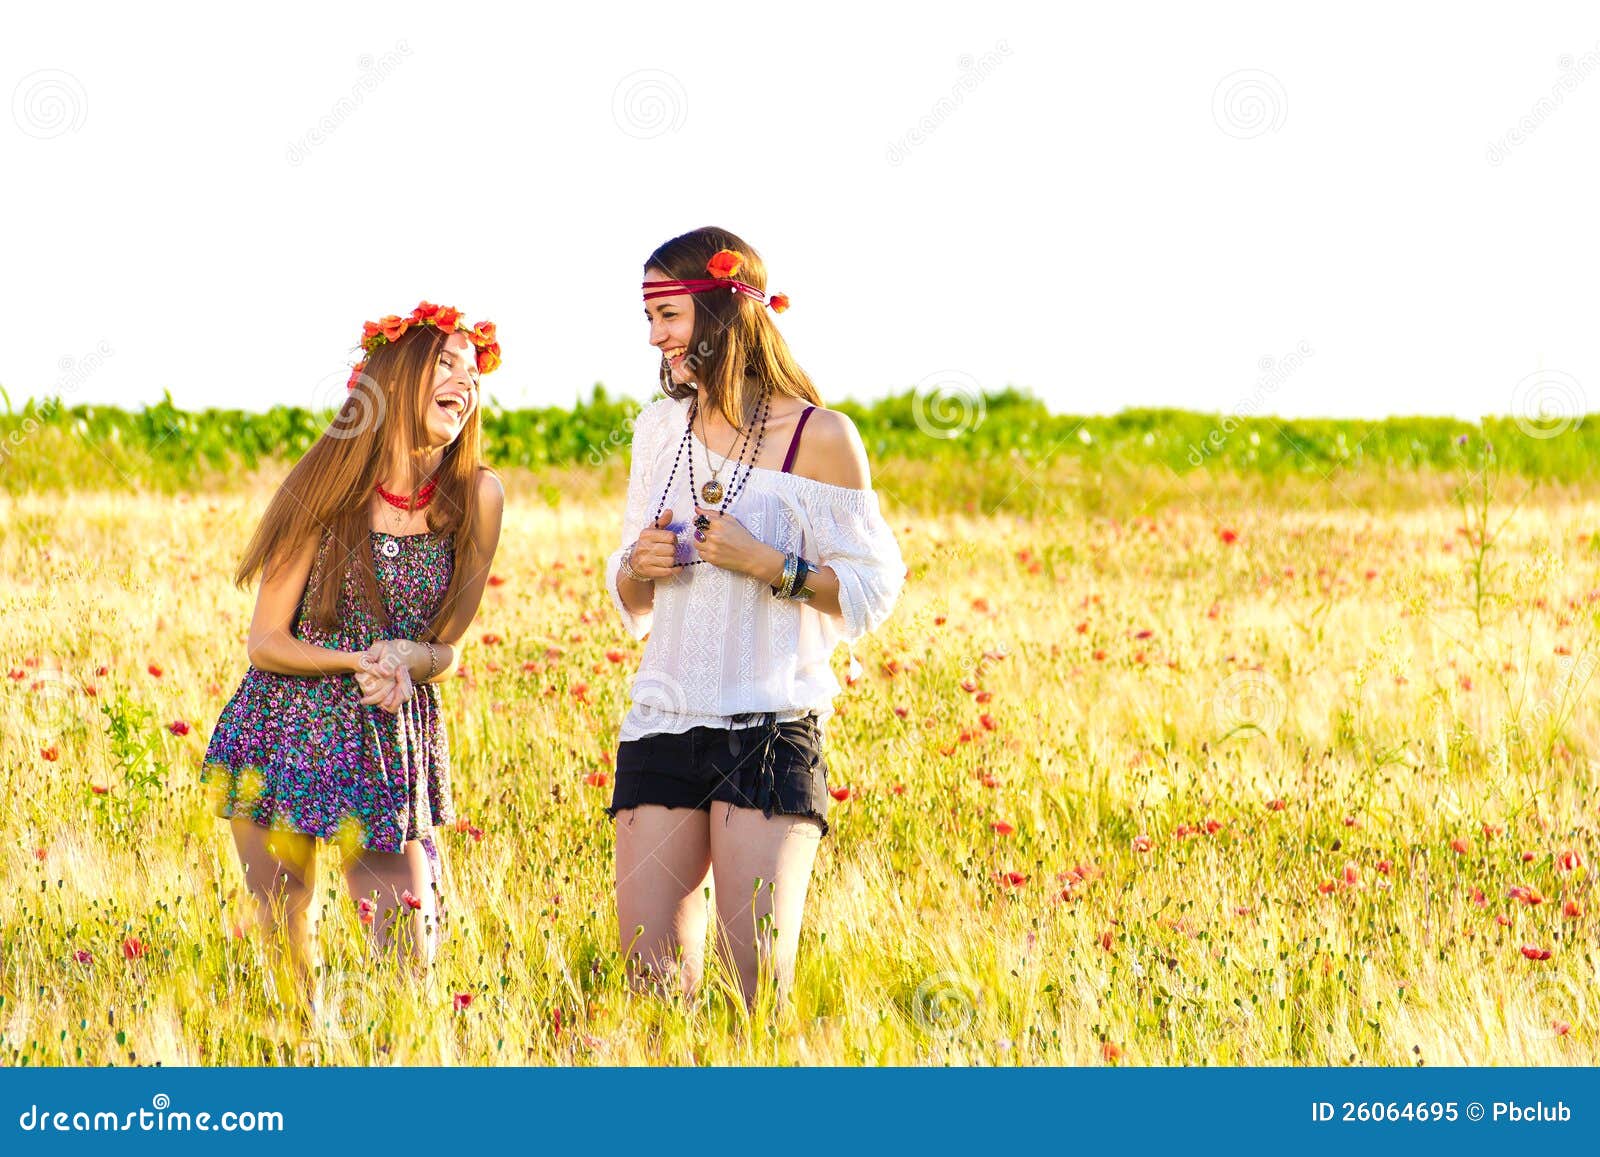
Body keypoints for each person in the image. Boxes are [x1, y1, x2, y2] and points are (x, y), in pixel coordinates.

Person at [606, 227, 906, 1010]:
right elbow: (631, 595)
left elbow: (874, 588)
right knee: (651, 987)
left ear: (721, 312)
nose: (655, 338)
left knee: (756, 996)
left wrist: (772, 565)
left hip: (770, 726)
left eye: (667, 316)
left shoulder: (821, 435)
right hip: (661, 720)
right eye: (649, 319)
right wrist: (639, 566)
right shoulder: (657, 432)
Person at [200, 302, 505, 1020]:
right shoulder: (328, 489)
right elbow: (266, 639)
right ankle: (300, 1071)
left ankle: (399, 1078)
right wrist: (355, 660)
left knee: (408, 944)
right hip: (286, 727)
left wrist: (409, 655)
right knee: (283, 932)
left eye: (474, 369)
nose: (464, 380)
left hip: (387, 733)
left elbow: (449, 644)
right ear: (394, 379)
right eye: (446, 362)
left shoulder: (477, 497)